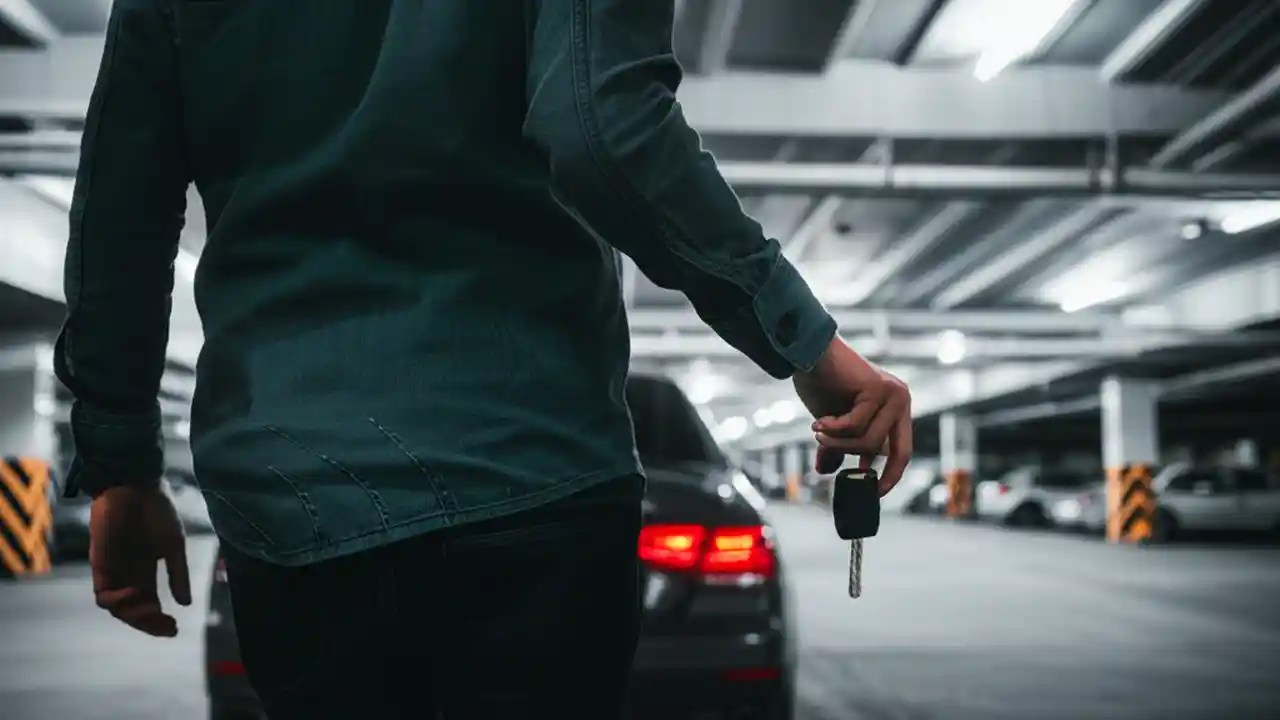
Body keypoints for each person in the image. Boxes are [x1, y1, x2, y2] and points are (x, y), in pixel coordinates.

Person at [59, 1, 912, 718]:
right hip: (531, 471)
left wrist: (121, 466)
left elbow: (120, 208)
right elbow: (604, 129)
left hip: (297, 498)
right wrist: (805, 342)